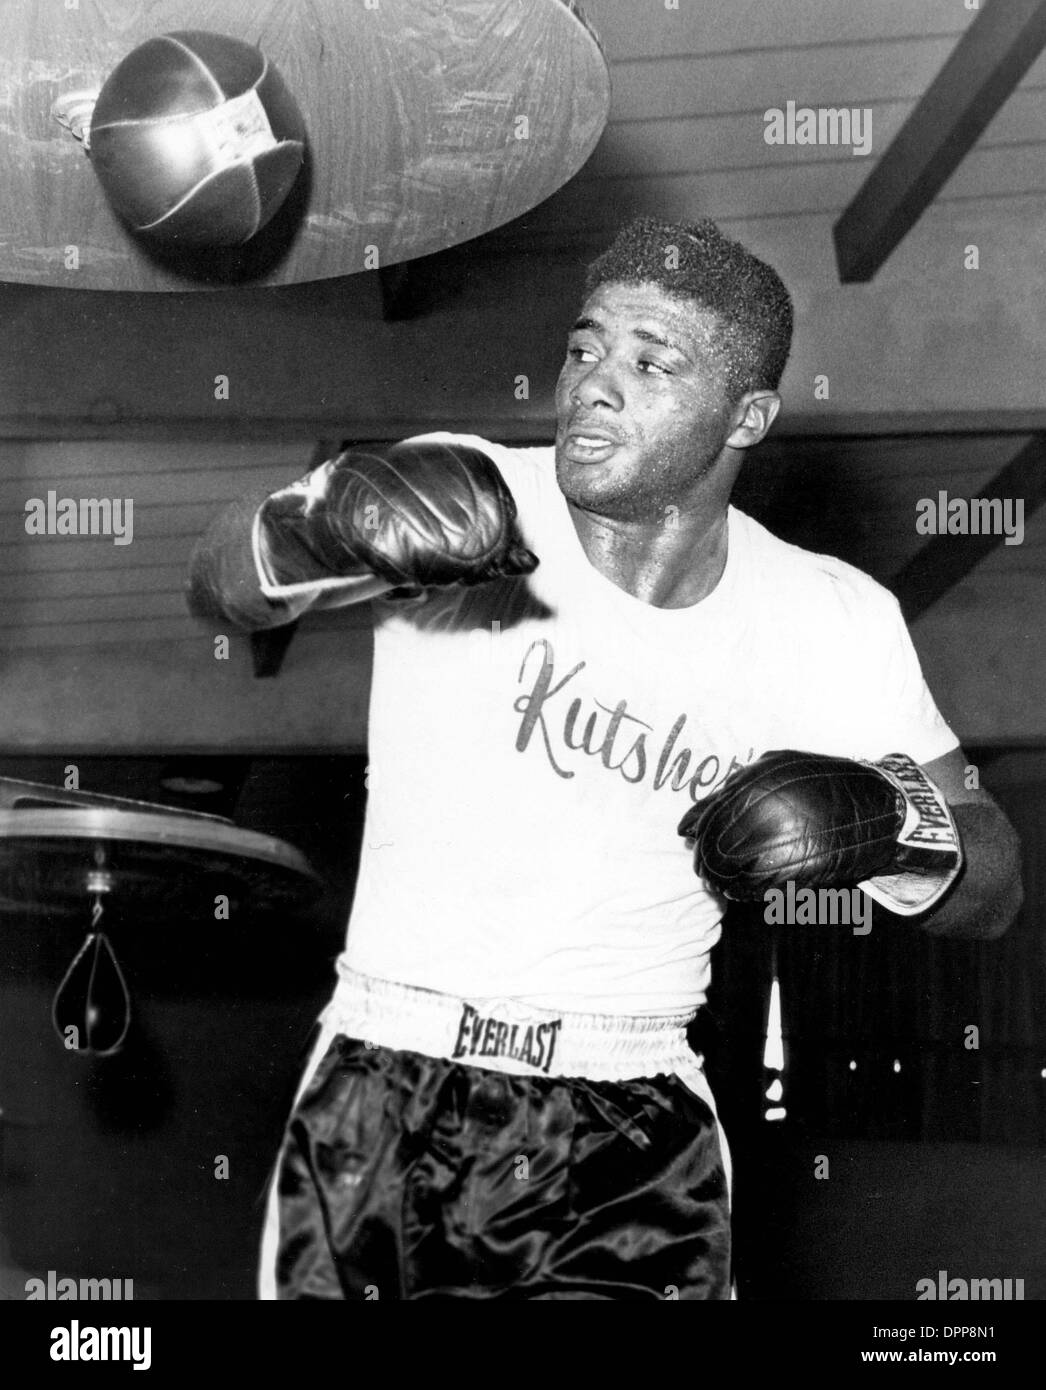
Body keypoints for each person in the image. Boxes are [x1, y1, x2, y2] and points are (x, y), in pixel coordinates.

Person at [188, 216, 1023, 1301]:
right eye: (582, 347)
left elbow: (993, 872)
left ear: (747, 414)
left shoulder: (831, 617)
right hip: (384, 1086)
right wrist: (315, 531)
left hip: (630, 1132)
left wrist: (888, 825)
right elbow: (216, 580)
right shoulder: (465, 486)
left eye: (648, 359)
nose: (590, 380)